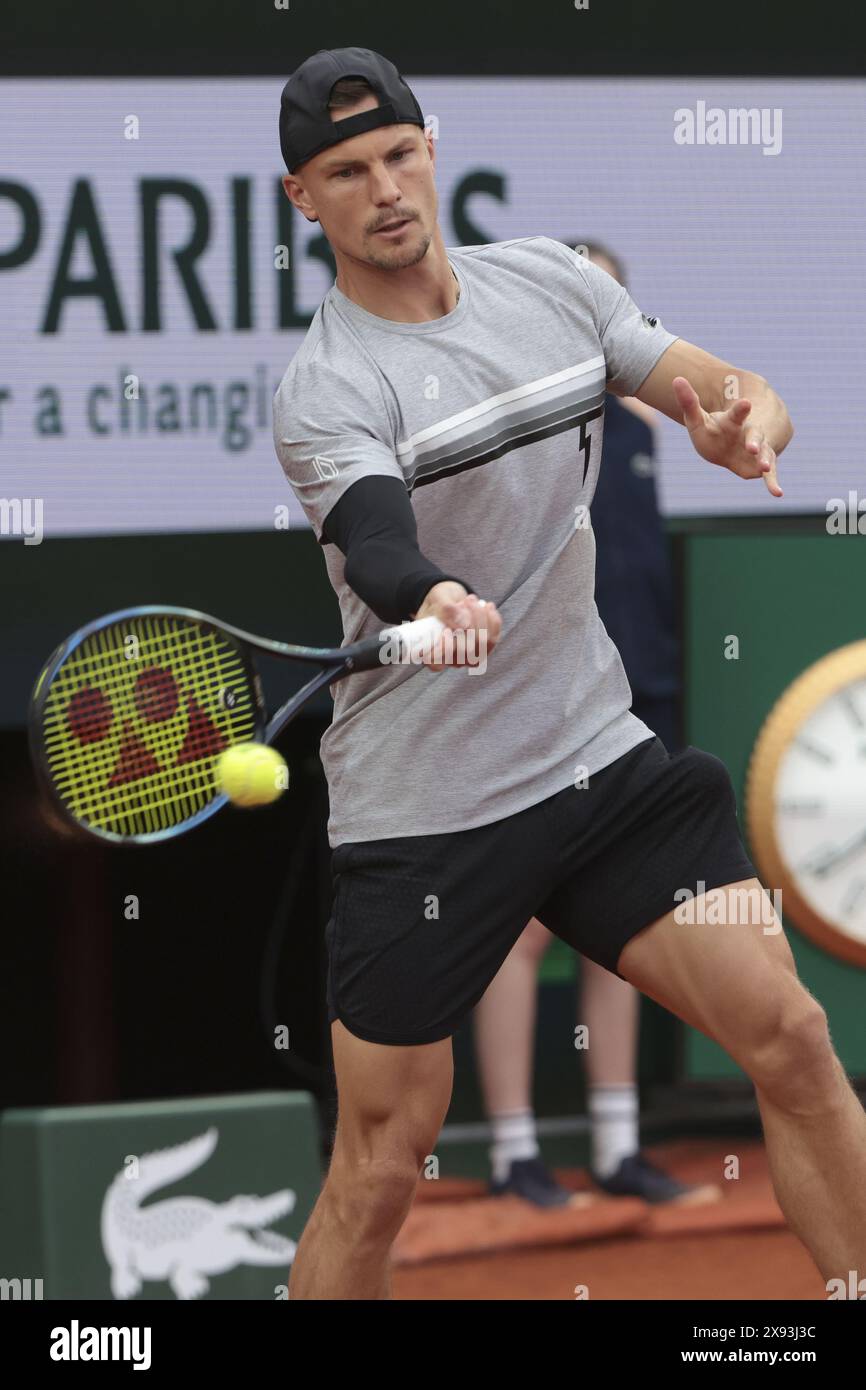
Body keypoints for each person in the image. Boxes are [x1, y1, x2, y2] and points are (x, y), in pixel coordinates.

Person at [272, 47, 865, 1301]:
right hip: (427, 817)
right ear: (300, 200)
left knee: (795, 1038)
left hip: (601, 772)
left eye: (394, 155)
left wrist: (742, 415)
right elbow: (378, 536)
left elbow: (727, 389)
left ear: (430, 149)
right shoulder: (326, 386)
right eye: (343, 172)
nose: (380, 188)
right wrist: (430, 593)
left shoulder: (548, 282)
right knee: (381, 1165)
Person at [472, 241, 699, 1208]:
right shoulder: (519, 431)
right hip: (538, 706)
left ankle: (617, 1147)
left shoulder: (641, 428)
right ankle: (515, 1153)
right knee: (520, 935)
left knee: (630, 927)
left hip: (638, 698)